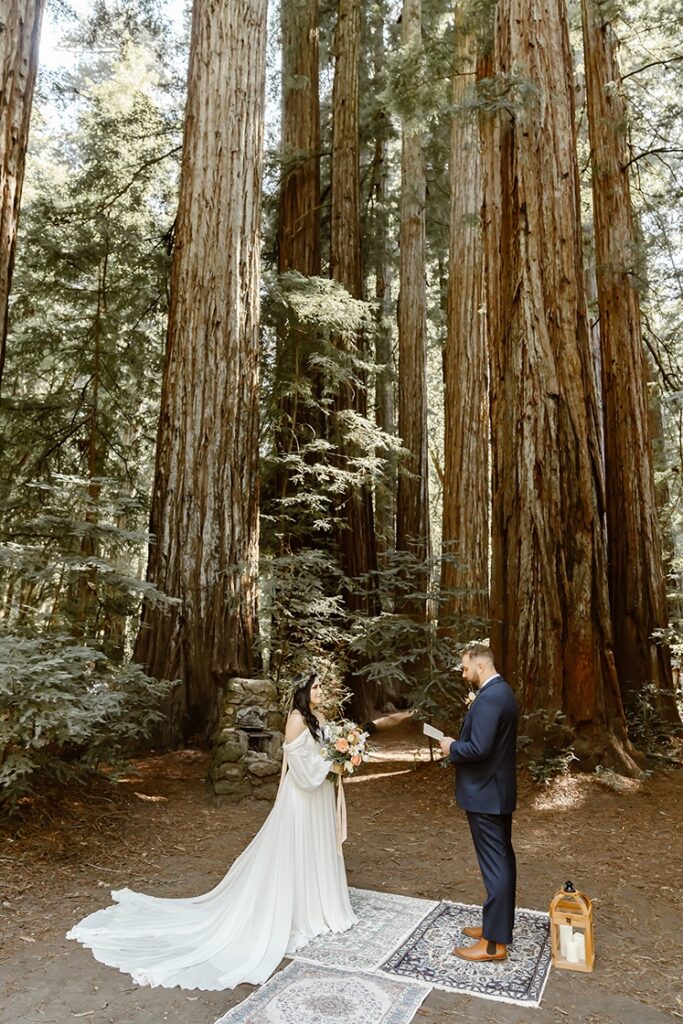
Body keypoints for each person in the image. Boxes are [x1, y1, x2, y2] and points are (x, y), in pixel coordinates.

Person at [66, 672, 357, 990]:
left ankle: (318, 903)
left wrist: (343, 756)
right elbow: (301, 769)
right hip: (302, 797)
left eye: (320, 686)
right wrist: (332, 765)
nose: (319, 691)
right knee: (296, 851)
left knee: (315, 850)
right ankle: (298, 909)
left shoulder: (320, 716)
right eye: (314, 686)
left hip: (319, 797)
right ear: (302, 691)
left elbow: (323, 751)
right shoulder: (296, 720)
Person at [439, 643, 518, 963]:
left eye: (465, 667)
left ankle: (493, 945)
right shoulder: (503, 692)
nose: (462, 672)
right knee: (502, 862)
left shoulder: (490, 698)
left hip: (486, 794)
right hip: (496, 792)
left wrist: (451, 747)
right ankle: (494, 927)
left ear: (481, 665)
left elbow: (480, 749)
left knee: (496, 867)